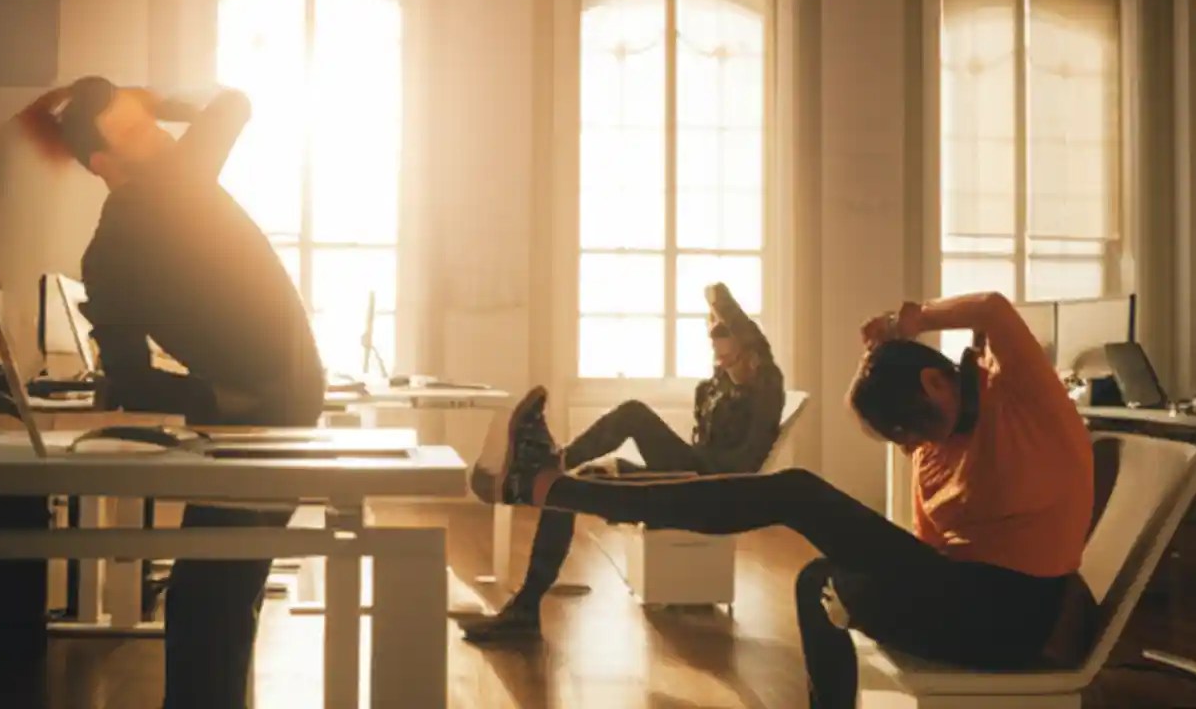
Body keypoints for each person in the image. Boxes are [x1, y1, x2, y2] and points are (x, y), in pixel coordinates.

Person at [468, 292, 1093, 709]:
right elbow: (928, 554)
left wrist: (909, 321)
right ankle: (546, 488)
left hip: (1012, 617)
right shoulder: (929, 452)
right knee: (816, 580)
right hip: (956, 597)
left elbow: (992, 308)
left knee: (796, 495)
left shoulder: (1027, 400)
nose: (910, 443)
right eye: (899, 434)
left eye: (909, 428)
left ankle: (547, 486)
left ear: (937, 380)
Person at [17, 76, 325, 709]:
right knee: (212, 601)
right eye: (135, 131)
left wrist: (220, 397)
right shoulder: (172, 186)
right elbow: (236, 100)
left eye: (150, 121)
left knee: (210, 601)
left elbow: (126, 379)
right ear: (105, 164)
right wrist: (163, 100)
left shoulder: (110, 247)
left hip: (268, 411)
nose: (157, 134)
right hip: (271, 408)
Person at [462, 282, 786, 642]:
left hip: (716, 487)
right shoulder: (715, 385)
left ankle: (543, 465)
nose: (725, 367)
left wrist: (716, 299)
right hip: (688, 477)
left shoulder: (767, 385)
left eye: (733, 358)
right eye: (719, 359)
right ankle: (526, 604)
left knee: (634, 414)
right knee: (568, 486)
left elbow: (740, 466)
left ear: (751, 352)